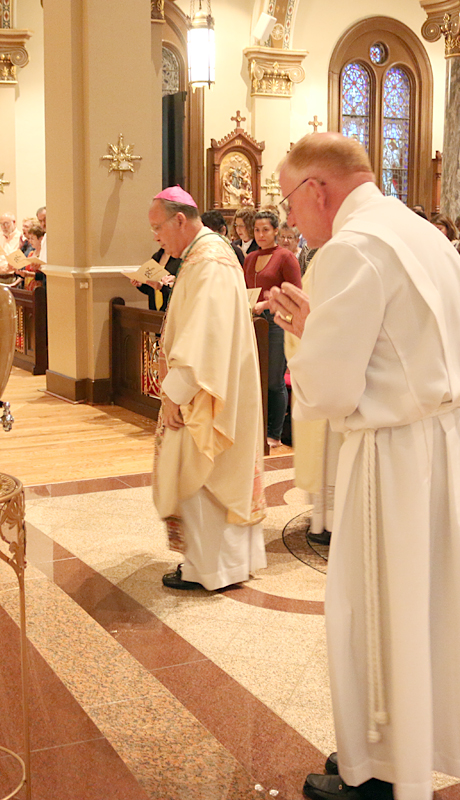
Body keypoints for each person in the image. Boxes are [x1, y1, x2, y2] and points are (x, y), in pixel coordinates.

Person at [266, 133, 460, 800]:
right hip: (453, 441)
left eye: (288, 201)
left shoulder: (349, 249)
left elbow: (331, 392)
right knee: (433, 606)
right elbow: (457, 349)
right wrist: (322, 332)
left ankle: (379, 771)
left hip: (394, 459)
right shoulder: (423, 234)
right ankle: (401, 749)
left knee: (379, 611)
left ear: (317, 190)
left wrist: (300, 339)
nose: (289, 218)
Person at [148, 186, 267, 593]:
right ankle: (222, 563)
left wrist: (174, 395)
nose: (156, 237)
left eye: (158, 228)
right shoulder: (206, 254)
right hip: (212, 384)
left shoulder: (208, 262)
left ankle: (210, 569)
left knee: (202, 473)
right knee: (204, 473)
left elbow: (203, 340)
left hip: (203, 392)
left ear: (180, 219)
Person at [244, 209, 301, 446]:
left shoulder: (285, 257)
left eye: (265, 230)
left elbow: (295, 292)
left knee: (274, 379)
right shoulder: (250, 257)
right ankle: (258, 427)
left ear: (276, 231)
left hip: (277, 321)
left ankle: (274, 433)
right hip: (253, 321)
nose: (260, 234)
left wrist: (266, 304)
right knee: (256, 377)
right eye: (257, 230)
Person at [131, 247, 180, 311]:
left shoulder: (180, 259)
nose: (158, 241)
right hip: (154, 308)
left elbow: (180, 291)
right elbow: (151, 290)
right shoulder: (157, 256)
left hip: (171, 308)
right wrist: (141, 285)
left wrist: (162, 287)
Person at [0, 213, 24, 280]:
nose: (4, 227)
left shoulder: (21, 238)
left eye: (6, 224)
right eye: (1, 224)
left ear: (14, 222)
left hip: (13, 276)